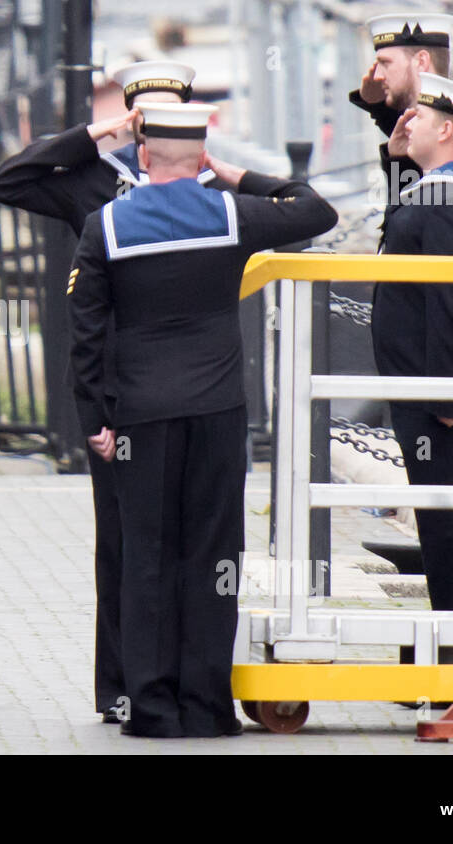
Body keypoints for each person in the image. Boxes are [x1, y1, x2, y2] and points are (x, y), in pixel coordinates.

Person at [68, 102, 337, 737]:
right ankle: (207, 704)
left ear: (140, 156)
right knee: (213, 555)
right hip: (218, 411)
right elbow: (315, 210)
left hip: (139, 414)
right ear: (201, 156)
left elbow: (84, 336)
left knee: (147, 556)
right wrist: (239, 177)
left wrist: (95, 420)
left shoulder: (103, 225)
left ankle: (151, 708)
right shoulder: (229, 213)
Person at [0, 60, 196, 723]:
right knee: (123, 544)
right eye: (143, 116)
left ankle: (185, 678)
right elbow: (7, 180)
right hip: (117, 386)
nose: (152, 128)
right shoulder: (94, 185)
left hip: (191, 382)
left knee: (192, 542)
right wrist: (98, 132)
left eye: (166, 115)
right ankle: (122, 685)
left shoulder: (204, 187)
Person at [372, 73, 453, 612]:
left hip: (440, 399)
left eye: (420, 117)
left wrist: (450, 397)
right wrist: (398, 159)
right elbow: (405, 230)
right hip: (434, 391)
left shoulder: (449, 198)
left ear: (447, 129)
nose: (407, 121)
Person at [349, 12, 453, 228]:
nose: (377, 75)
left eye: (385, 63)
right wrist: (379, 106)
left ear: (421, 61)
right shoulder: (446, 128)